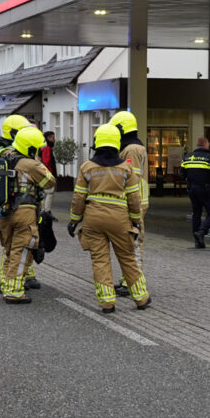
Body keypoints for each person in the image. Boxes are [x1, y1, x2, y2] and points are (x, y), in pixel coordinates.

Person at [68, 124, 149, 312]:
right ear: (116, 143)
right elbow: (134, 198)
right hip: (119, 219)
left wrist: (74, 221)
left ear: (97, 142)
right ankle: (141, 298)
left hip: (92, 219)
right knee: (128, 257)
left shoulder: (86, 168)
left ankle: (107, 302)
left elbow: (78, 197)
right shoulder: (126, 169)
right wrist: (136, 220)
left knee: (100, 260)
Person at [0, 126, 55, 304]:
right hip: (24, 212)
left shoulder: (4, 159)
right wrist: (39, 163)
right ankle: (14, 292)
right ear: (31, 148)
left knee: (9, 250)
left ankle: (6, 284)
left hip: (3, 213)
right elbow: (49, 182)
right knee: (21, 250)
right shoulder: (31, 165)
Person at [109, 109, 147, 296]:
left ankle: (134, 282)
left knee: (134, 241)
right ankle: (128, 279)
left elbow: (131, 177)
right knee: (127, 241)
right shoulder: (129, 147)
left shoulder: (132, 149)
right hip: (132, 200)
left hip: (135, 201)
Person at [180, 136, 210, 248]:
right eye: (208, 144)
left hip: (192, 189)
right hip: (206, 189)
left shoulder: (187, 157)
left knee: (196, 214)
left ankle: (197, 241)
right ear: (205, 145)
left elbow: (181, 174)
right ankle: (201, 232)